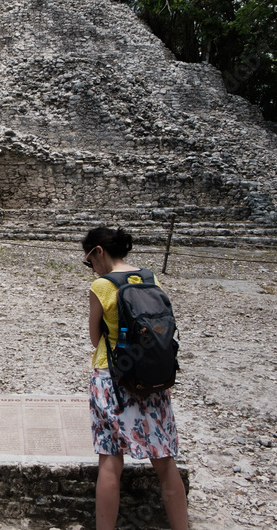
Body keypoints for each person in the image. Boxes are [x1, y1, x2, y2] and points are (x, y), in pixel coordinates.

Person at [81, 226, 189, 530]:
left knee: (111, 462)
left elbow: (95, 338)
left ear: (98, 252)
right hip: (151, 379)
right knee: (165, 461)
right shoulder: (150, 278)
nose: (92, 268)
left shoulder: (101, 286)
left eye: (89, 261)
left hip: (112, 378)